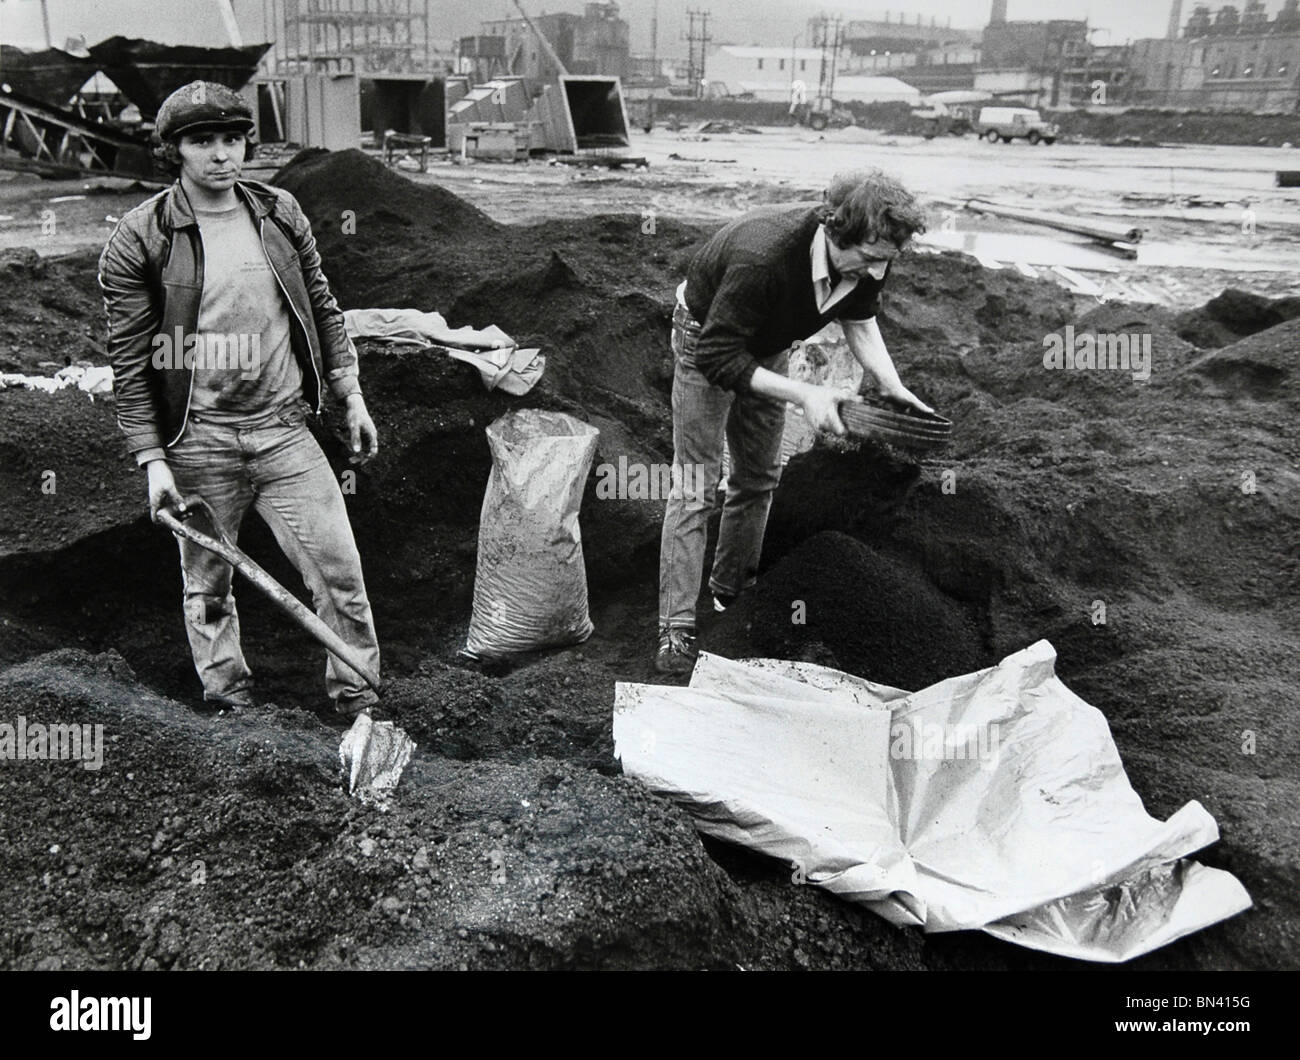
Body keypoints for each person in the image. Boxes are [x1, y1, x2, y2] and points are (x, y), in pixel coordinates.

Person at [98, 81, 382, 715]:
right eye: (203, 142)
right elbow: (130, 363)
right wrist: (153, 463)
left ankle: (359, 701)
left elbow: (324, 309)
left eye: (233, 139)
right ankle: (233, 710)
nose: (222, 155)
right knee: (209, 590)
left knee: (341, 578)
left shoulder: (280, 213)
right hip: (199, 439)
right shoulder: (143, 237)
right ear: (173, 151)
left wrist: (350, 393)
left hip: (284, 431)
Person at [656, 169, 930, 674]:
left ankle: (731, 591)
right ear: (833, 231)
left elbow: (861, 315)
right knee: (695, 485)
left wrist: (892, 386)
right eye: (868, 260)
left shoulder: (873, 254)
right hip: (705, 341)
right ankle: (675, 627)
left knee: (759, 476)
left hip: (770, 342)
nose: (874, 272)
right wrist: (804, 394)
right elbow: (719, 355)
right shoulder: (764, 258)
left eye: (883, 262)